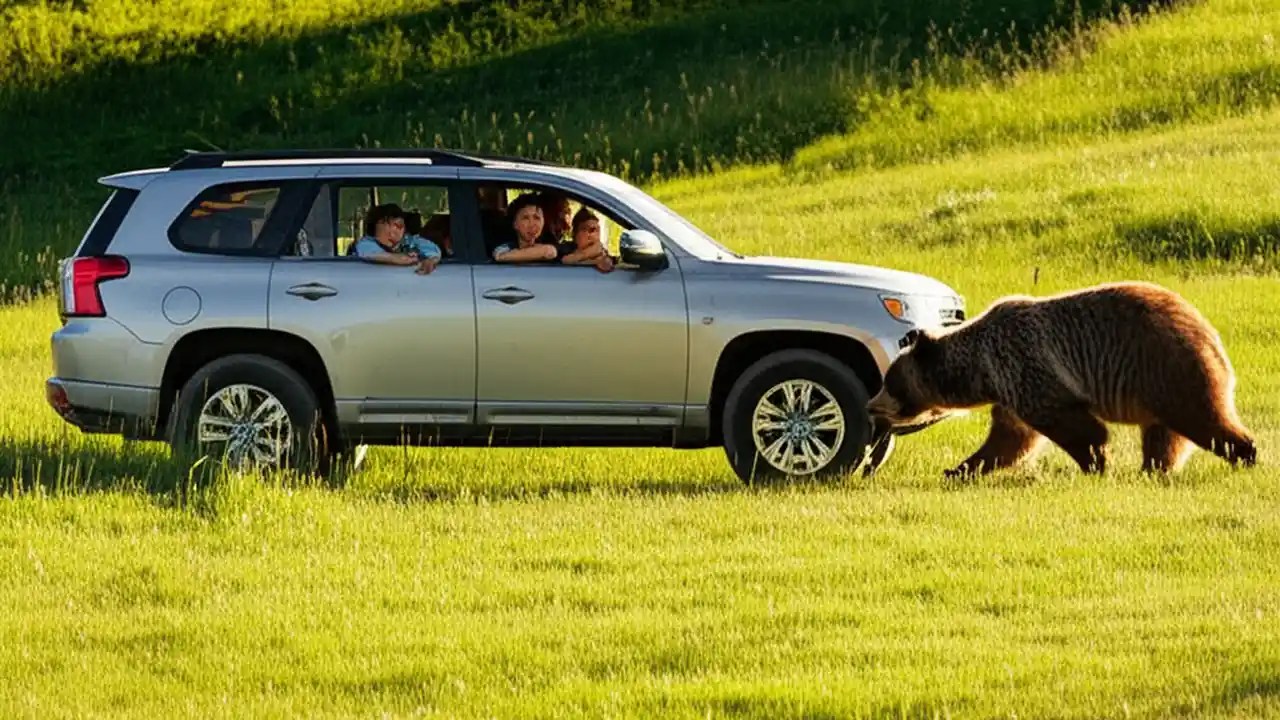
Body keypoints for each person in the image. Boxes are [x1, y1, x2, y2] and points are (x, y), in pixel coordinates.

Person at [352, 203, 441, 274]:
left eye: (399, 226)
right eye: (386, 225)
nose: (392, 233)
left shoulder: (410, 241)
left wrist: (431, 261)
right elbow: (370, 253)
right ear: (376, 227)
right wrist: (405, 259)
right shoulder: (366, 243)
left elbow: (432, 250)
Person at [492, 193, 559, 263]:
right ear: (515, 224)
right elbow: (499, 255)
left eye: (537, 218)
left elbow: (550, 251)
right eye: (525, 218)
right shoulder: (506, 248)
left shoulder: (549, 243)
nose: (532, 224)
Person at [558, 207, 615, 273]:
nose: (591, 235)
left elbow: (607, 264)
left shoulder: (602, 253)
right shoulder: (564, 249)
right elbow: (563, 261)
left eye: (596, 230)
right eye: (584, 230)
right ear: (575, 234)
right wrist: (586, 254)